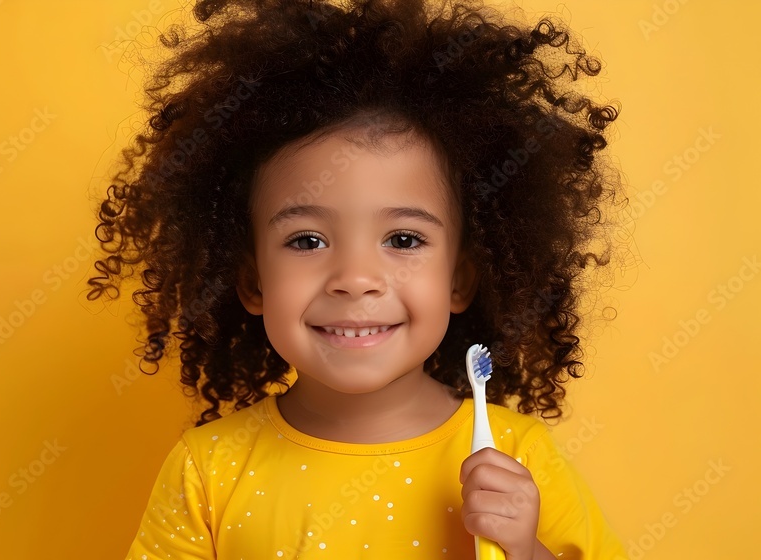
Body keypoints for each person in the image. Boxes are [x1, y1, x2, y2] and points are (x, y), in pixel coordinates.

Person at [89, 0, 629, 557]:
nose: (355, 279)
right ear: (252, 283)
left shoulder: (516, 457)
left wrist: (527, 549)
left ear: (460, 280)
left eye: (404, 240)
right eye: (307, 241)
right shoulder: (207, 468)